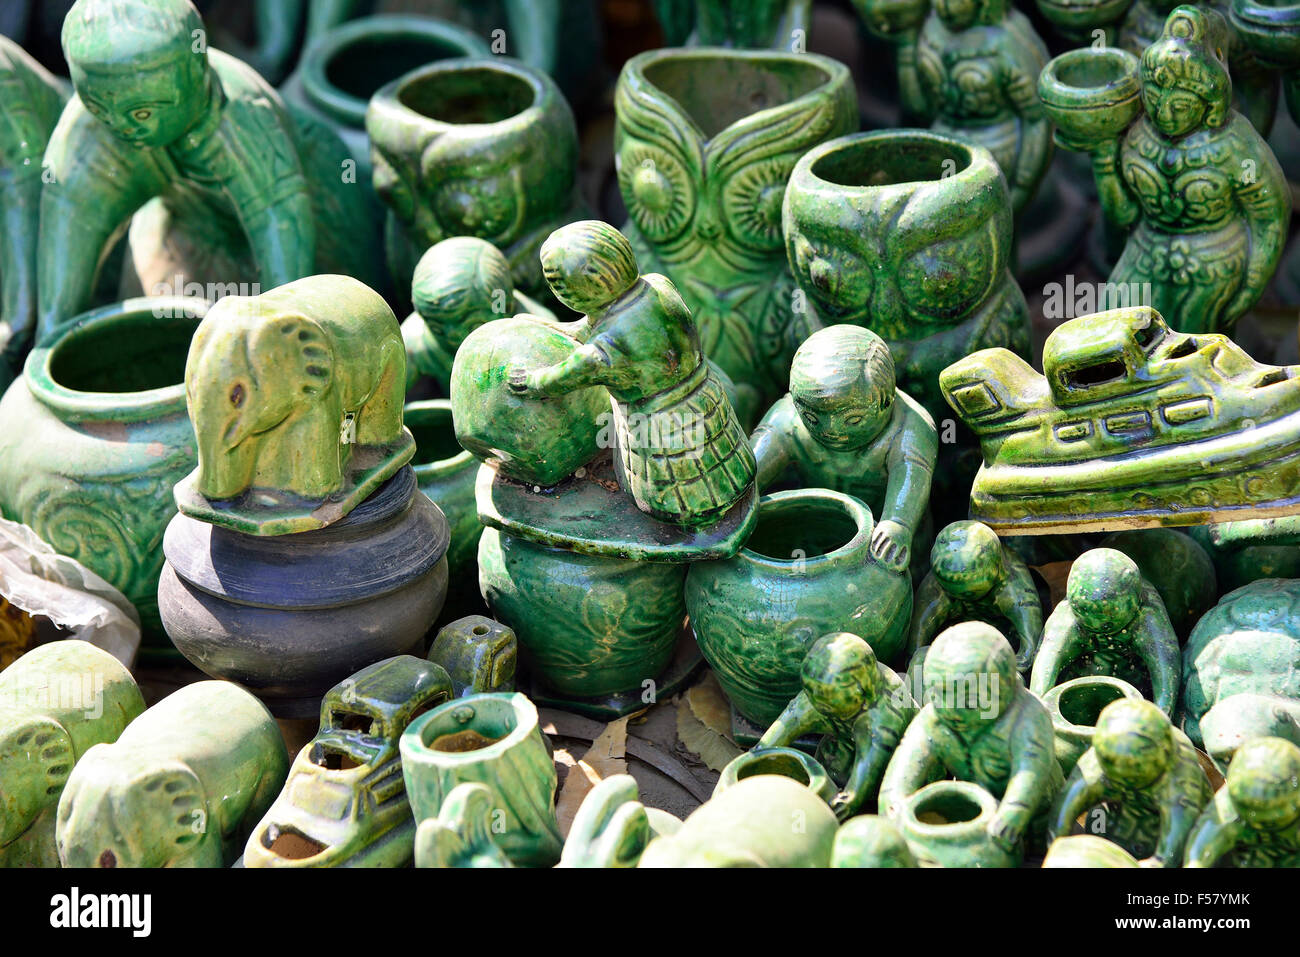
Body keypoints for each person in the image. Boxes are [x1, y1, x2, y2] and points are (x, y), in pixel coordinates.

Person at [751, 324, 936, 573]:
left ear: (885, 400)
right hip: (814, 539)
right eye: (813, 418)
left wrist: (898, 523)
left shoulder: (910, 428)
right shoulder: (787, 421)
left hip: (885, 549)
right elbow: (748, 477)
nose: (831, 431)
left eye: (853, 419)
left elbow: (911, 473)